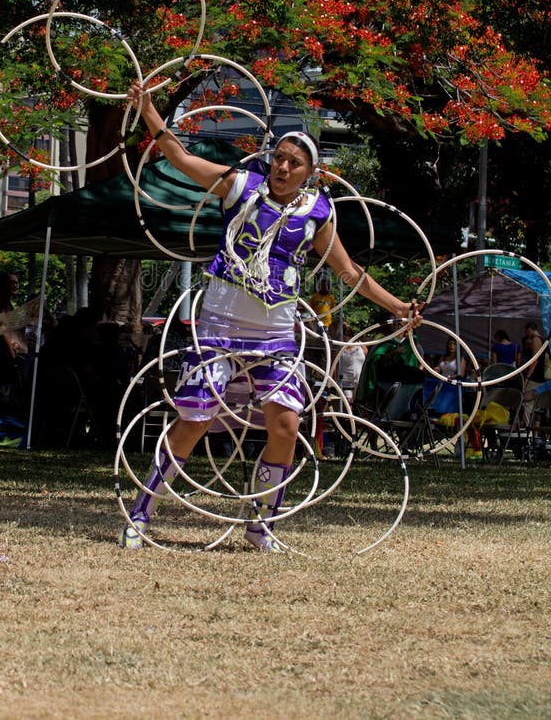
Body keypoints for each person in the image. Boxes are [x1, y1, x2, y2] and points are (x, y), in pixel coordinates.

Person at [121, 83, 422, 553]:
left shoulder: (317, 214)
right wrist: (148, 109)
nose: (283, 167)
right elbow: (179, 157)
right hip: (220, 325)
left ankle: (261, 525)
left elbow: (348, 272)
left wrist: (398, 307)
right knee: (195, 419)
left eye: (294, 162)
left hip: (277, 332)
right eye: (279, 157)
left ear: (310, 173)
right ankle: (142, 512)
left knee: (286, 425)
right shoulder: (240, 185)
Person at [521, 321, 546, 420]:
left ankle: (528, 429)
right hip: (540, 375)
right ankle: (534, 431)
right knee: (536, 406)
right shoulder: (543, 339)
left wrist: (527, 377)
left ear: (529, 329)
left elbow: (534, 360)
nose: (526, 334)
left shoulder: (536, 339)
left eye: (526, 331)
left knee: (527, 404)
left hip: (534, 376)